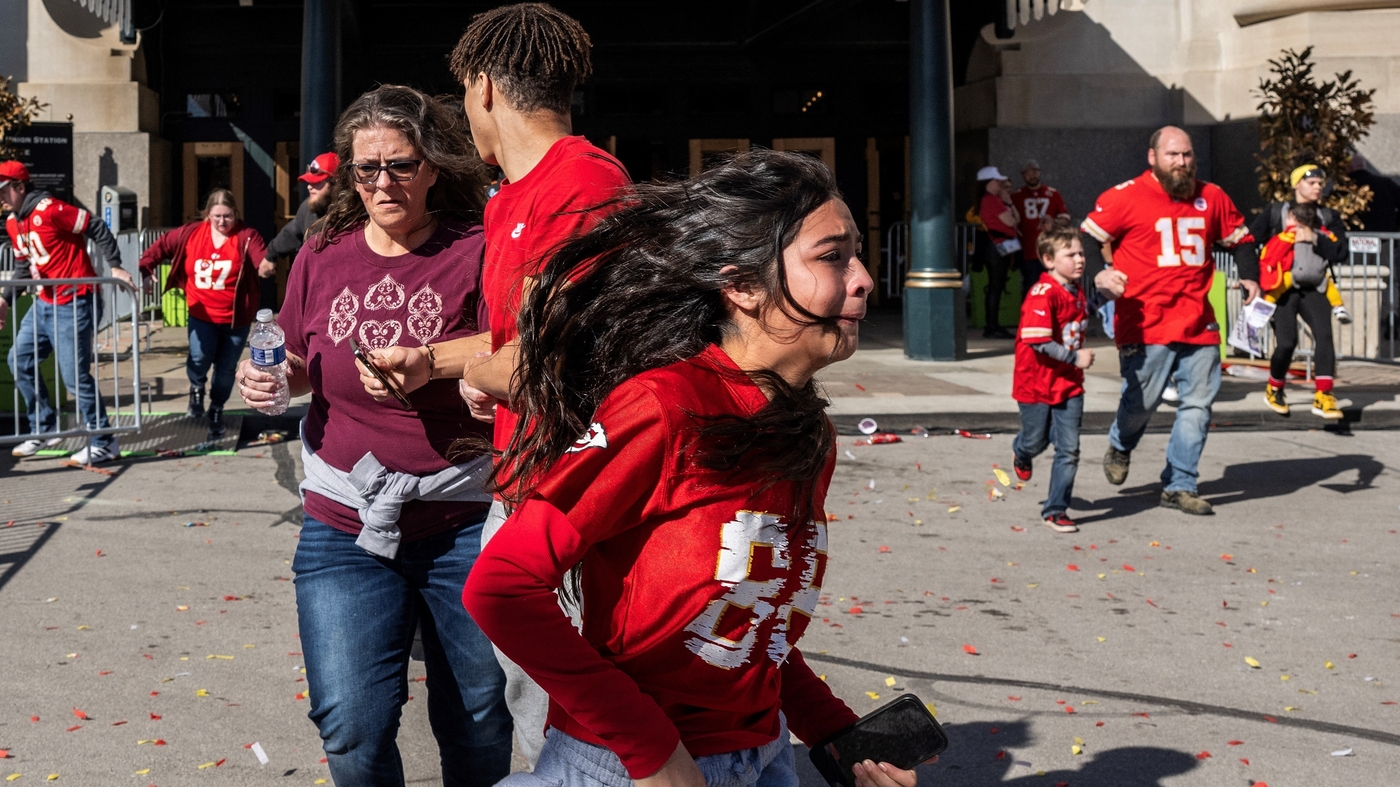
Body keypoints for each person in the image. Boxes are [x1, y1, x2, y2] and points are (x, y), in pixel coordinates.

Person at [462, 150, 921, 787]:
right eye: (832, 256)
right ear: (743, 286)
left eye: (857, 254)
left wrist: (838, 735)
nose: (864, 278)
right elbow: (501, 586)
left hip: (766, 758)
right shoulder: (663, 407)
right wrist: (649, 748)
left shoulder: (809, 431)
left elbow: (751, 624)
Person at [357, 2, 630, 764]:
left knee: (570, 729)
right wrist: (435, 361)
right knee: (530, 710)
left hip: (570, 495)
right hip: (518, 483)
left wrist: (484, 372)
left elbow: (555, 354)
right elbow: (515, 337)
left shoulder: (584, 184)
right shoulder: (511, 195)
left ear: (481, 88)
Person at [235, 85, 512, 786]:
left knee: (479, 720)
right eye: (366, 169)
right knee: (351, 726)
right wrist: (271, 377)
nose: (383, 182)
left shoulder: (476, 248)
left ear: (433, 167)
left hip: (464, 520)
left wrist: (437, 364)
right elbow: (302, 359)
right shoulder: (323, 253)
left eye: (401, 165)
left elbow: (514, 342)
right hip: (343, 522)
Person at [1081, 126, 1256, 516]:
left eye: (1188, 155)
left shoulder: (1212, 196)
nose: (1182, 162)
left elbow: (1243, 240)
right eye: (1173, 155)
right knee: (1142, 401)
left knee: (1198, 405)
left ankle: (1180, 484)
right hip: (1145, 322)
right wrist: (1099, 273)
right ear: (1153, 157)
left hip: (1199, 323)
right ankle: (1121, 444)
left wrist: (1250, 276)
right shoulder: (1125, 196)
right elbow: (1088, 236)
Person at [1, 159, 133, 463]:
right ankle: (44, 426)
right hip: (43, 302)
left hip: (75, 301)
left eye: (5, 190)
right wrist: (6, 298)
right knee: (18, 360)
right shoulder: (13, 222)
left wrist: (115, 265)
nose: (1, 198)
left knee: (74, 376)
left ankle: (103, 440)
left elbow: (95, 225)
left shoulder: (50, 209)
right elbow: (24, 266)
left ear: (20, 187)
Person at [138, 189, 267, 441]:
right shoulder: (191, 233)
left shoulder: (246, 236)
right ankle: (196, 388)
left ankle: (216, 408)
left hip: (235, 318)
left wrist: (266, 266)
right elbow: (161, 246)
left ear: (236, 214)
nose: (222, 222)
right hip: (201, 313)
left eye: (227, 216)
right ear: (207, 215)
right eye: (217, 216)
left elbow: (261, 259)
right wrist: (145, 268)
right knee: (199, 358)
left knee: (226, 369)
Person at [1012, 222, 1092, 533]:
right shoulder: (1043, 292)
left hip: (1070, 385)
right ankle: (1022, 451)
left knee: (1069, 449)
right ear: (1048, 260)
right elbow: (1037, 339)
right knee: (1036, 440)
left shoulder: (1077, 290)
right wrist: (1076, 357)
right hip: (1035, 384)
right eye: (1070, 254)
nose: (1080, 259)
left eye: (1081, 253)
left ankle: (1056, 508)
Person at [1241, 199, 1345, 420]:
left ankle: (1324, 394)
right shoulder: (1277, 212)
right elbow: (1251, 243)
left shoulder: (1327, 216)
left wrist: (1315, 238)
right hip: (1283, 287)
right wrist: (1251, 279)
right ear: (1298, 185)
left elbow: (1340, 252)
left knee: (1324, 336)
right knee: (1287, 342)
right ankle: (1275, 387)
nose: (1317, 187)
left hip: (1314, 287)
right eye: (1312, 182)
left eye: (1320, 182)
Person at [258, 151, 340, 309]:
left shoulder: (354, 214)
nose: (309, 186)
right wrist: (270, 256)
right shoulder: (309, 208)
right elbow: (292, 232)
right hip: (314, 294)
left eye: (317, 182)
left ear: (337, 184)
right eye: (309, 182)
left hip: (341, 293)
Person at [1010, 160, 1071, 303]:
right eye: (1029, 173)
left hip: (1050, 248)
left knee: (1054, 283)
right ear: (1023, 175)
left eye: (1035, 172)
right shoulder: (1016, 196)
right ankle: (1031, 316)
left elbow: (1065, 217)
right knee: (1030, 284)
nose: (1033, 176)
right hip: (1028, 248)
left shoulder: (1053, 193)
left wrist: (1053, 223)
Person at [972, 165, 1021, 339]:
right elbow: (1011, 221)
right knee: (996, 286)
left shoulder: (991, 199)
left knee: (997, 286)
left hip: (1000, 246)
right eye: (997, 181)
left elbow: (1015, 220)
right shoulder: (991, 200)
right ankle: (992, 326)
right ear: (989, 182)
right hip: (997, 246)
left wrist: (1009, 204)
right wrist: (1009, 204)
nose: (1000, 184)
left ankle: (993, 325)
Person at [1348, 154, 1400, 233]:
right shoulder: (1386, 183)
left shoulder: (1345, 188)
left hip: (1355, 237)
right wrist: (1395, 224)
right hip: (1386, 236)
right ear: (1363, 165)